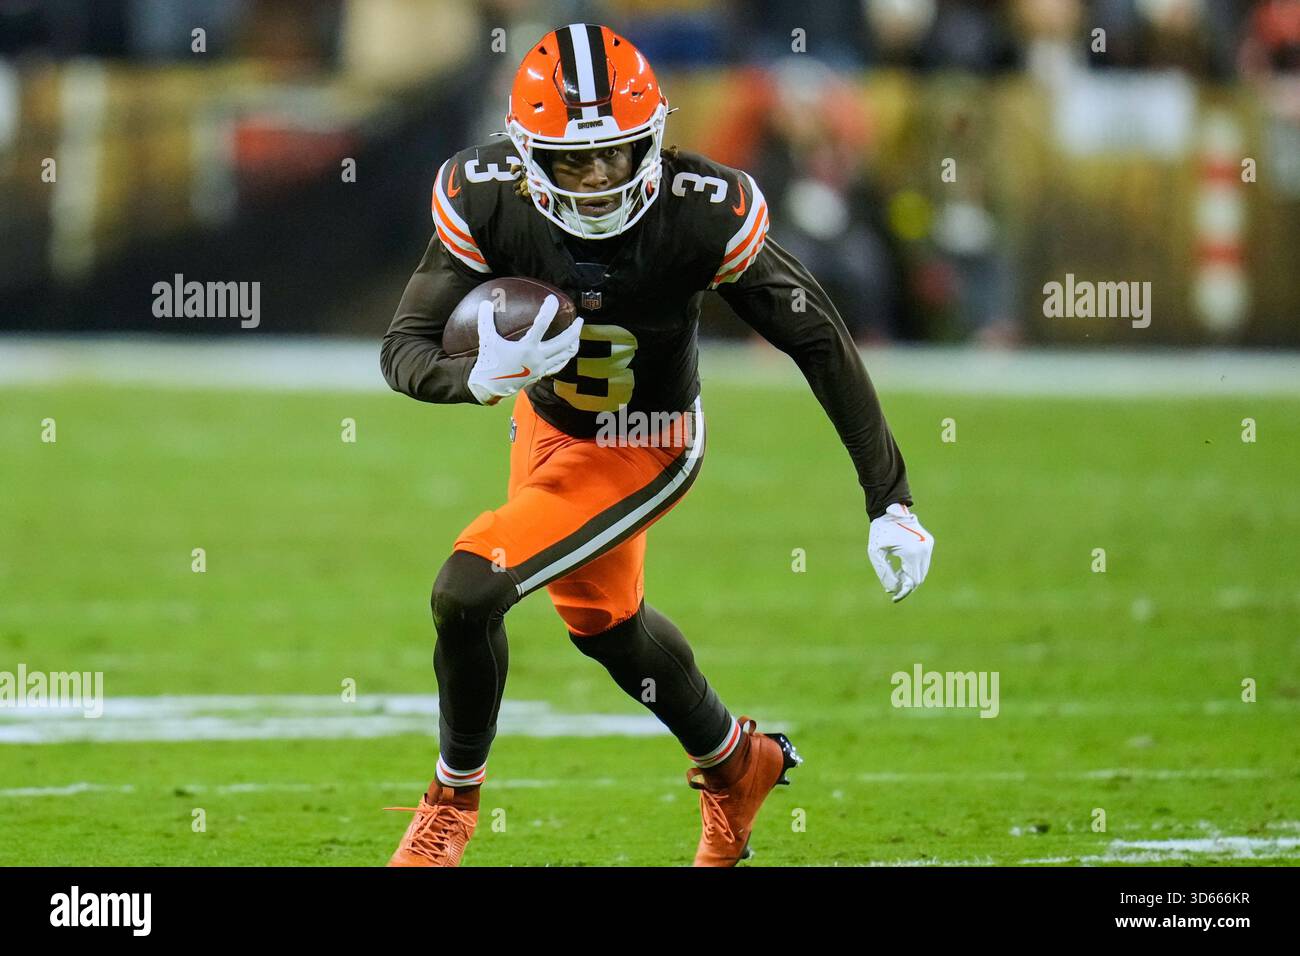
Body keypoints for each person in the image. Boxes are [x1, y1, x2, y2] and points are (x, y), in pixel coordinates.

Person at [379, 23, 934, 867]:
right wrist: (480, 379)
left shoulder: (697, 214)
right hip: (547, 426)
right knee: (608, 628)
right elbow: (404, 348)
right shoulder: (485, 195)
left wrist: (888, 495)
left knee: (468, 590)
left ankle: (449, 808)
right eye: (573, 160)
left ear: (656, 136)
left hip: (647, 443)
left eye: (618, 153)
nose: (600, 178)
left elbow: (816, 334)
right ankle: (737, 764)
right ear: (526, 154)